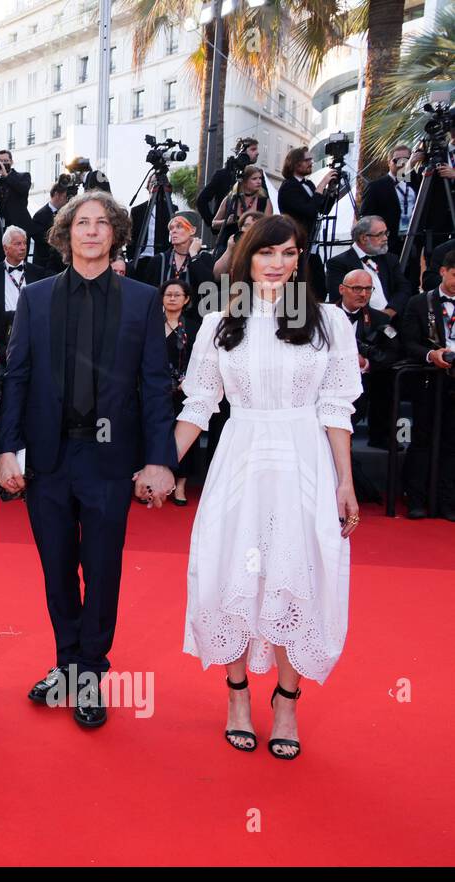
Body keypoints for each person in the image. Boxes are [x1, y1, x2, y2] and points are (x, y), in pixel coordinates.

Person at [174, 213, 362, 759]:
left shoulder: (328, 321)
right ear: (247, 259)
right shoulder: (218, 322)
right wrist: (161, 464)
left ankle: (285, 701)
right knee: (230, 573)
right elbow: (200, 404)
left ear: (301, 259)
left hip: (304, 460)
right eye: (266, 253)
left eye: (288, 253)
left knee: (293, 576)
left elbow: (335, 408)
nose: (277, 264)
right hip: (241, 459)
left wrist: (345, 481)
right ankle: (236, 696)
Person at [0, 191, 178, 728]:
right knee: (56, 568)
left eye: (102, 223)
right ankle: (67, 663)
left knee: (101, 567)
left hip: (109, 459)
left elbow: (154, 384)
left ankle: (92, 669)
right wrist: (8, 450)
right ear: (65, 233)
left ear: (115, 233)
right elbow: (18, 377)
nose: (92, 231)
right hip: (49, 457)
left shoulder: (142, 300)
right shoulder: (35, 297)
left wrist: (160, 460)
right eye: (82, 223)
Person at [399, 246, 455, 520]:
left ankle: (448, 502)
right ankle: (416, 499)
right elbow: (407, 342)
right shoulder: (420, 303)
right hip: (428, 379)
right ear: (443, 272)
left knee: (452, 443)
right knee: (421, 439)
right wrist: (431, 354)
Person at [336, 268, 401, 450]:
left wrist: (366, 363)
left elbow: (393, 353)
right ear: (342, 289)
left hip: (364, 386)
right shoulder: (325, 314)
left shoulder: (380, 319)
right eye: (357, 288)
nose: (363, 294)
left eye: (368, 289)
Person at [160, 279, 200, 505]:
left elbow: (201, 358)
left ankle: (180, 485)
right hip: (156, 389)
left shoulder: (194, 326)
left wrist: (189, 380)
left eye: (177, 295)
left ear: (186, 299)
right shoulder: (152, 322)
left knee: (185, 435)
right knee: (156, 431)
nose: (172, 298)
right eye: (168, 294)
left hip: (186, 390)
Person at [325, 216, 413, 318]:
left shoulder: (389, 259)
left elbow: (404, 288)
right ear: (363, 238)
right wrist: (374, 318)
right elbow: (341, 299)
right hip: (361, 323)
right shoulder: (338, 263)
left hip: (393, 319)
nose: (385, 238)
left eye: (386, 233)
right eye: (380, 234)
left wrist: (391, 310)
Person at [0, 225, 51, 346]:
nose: (23, 248)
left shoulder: (38, 273)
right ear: (6, 248)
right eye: (18, 244)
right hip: (3, 335)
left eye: (24, 243)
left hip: (34, 331)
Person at [134, 214, 215, 323]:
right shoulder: (159, 260)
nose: (173, 231)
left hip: (193, 323)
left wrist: (193, 255)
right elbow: (148, 294)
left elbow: (208, 286)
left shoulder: (203, 257)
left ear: (192, 230)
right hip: (161, 321)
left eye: (179, 226)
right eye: (171, 228)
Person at [360, 143, 418, 261]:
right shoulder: (376, 187)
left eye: (406, 160)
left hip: (414, 240)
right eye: (397, 160)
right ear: (389, 162)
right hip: (388, 243)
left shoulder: (416, 182)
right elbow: (366, 216)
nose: (401, 163)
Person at [277, 147, 338, 251]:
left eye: (311, 160)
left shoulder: (309, 184)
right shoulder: (288, 187)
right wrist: (323, 183)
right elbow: (309, 210)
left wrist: (331, 190)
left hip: (311, 241)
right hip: (296, 241)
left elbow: (324, 209)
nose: (311, 163)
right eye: (307, 160)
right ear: (295, 163)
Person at [195, 137, 262, 231]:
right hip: (226, 232)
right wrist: (214, 224)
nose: (257, 152)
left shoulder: (258, 177)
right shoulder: (223, 175)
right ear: (241, 152)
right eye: (253, 149)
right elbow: (201, 200)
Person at [210, 165, 269, 251]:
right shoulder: (230, 199)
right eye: (254, 179)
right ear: (244, 181)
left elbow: (267, 227)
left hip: (251, 246)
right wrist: (226, 221)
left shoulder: (264, 201)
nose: (259, 181)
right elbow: (214, 224)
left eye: (260, 178)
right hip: (227, 246)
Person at [29, 183, 70, 272]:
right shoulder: (40, 215)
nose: (66, 200)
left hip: (61, 265)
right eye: (64, 197)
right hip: (45, 264)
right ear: (56, 195)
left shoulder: (65, 215)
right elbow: (39, 238)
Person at [213, 209, 267, 277]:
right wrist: (229, 250)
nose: (250, 229)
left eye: (255, 226)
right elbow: (217, 275)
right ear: (240, 229)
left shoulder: (266, 250)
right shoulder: (233, 246)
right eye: (247, 225)